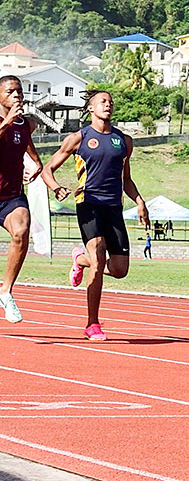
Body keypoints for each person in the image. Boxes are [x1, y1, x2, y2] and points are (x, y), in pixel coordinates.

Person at [41, 90, 149, 341]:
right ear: (91, 108)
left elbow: (126, 179)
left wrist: (140, 201)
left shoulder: (124, 141)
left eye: (111, 102)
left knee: (120, 270)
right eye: (102, 102)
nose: (108, 105)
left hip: (113, 208)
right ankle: (92, 324)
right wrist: (57, 187)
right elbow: (48, 169)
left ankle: (80, 260)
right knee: (99, 256)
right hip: (88, 204)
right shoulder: (79, 138)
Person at [0, 75, 43, 323]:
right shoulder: (5, 121)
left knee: (21, 231)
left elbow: (26, 141)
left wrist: (36, 163)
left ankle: (6, 291)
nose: (16, 95)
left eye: (19, 91)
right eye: (10, 92)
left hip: (11, 196)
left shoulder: (25, 124)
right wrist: (7, 121)